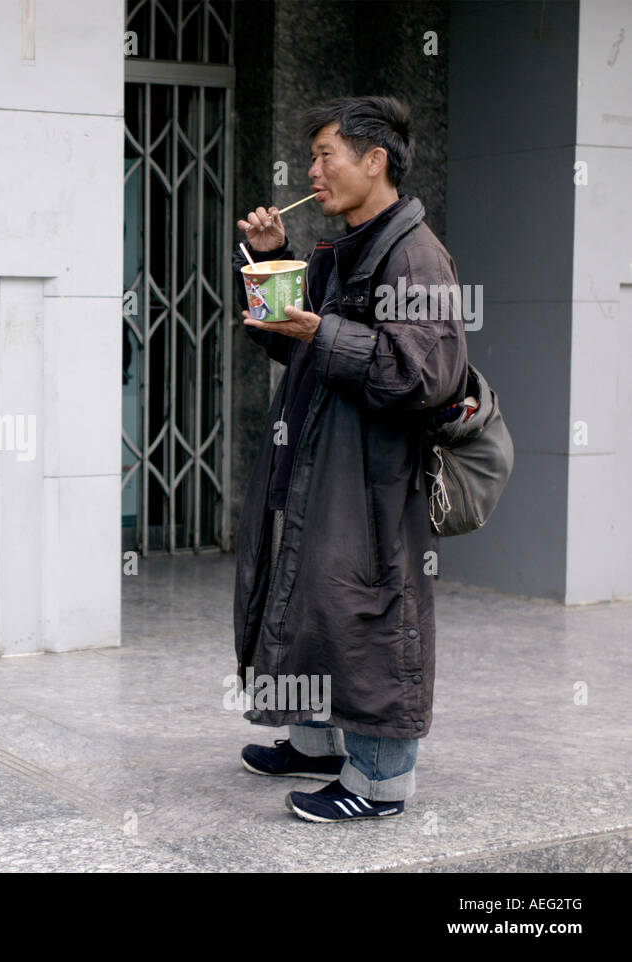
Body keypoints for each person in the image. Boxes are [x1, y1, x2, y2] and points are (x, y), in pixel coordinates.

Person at [230, 96, 469, 822]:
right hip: (316, 458)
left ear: (376, 160)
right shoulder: (344, 248)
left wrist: (323, 332)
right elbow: (294, 342)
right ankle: (316, 742)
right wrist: (272, 262)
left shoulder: (414, 255)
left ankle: (380, 783)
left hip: (374, 477)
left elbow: (423, 377)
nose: (313, 170)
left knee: (371, 611)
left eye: (326, 154)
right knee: (309, 595)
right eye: (311, 158)